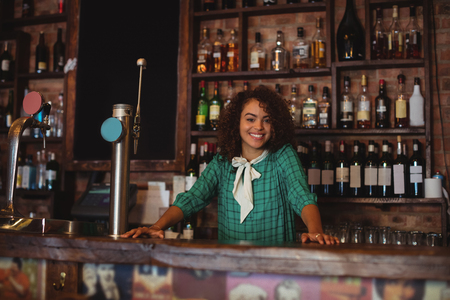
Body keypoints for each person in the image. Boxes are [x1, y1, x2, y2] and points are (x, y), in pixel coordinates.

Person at [122, 85, 338, 244]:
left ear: (276, 125)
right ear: (237, 122)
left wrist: (316, 232)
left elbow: (301, 197)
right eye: (251, 119)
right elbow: (193, 198)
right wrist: (156, 227)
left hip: (276, 263)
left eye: (267, 120)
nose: (259, 127)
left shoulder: (282, 155)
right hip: (231, 263)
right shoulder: (224, 161)